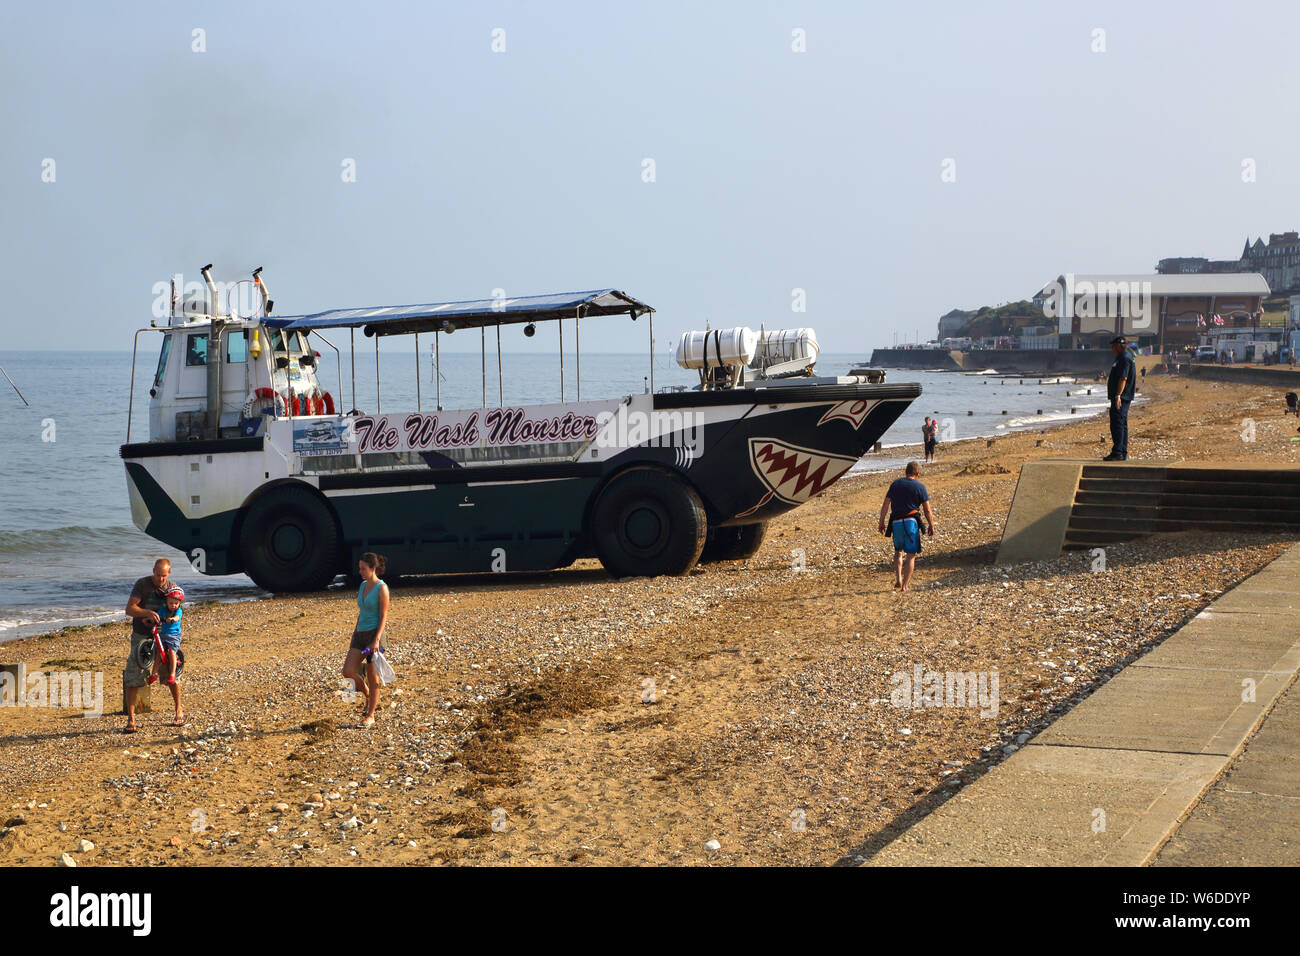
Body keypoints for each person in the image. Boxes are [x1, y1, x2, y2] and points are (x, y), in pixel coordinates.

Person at [123, 558, 182, 732]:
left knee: (172, 675)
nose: (161, 579)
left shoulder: (172, 588)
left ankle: (179, 710)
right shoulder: (142, 585)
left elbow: (178, 611)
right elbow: (129, 609)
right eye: (158, 575)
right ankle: (131, 720)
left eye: (164, 576)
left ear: (169, 573)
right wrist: (147, 612)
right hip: (142, 635)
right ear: (153, 571)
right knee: (134, 673)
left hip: (164, 636)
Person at [342, 552, 389, 728]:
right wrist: (355, 633)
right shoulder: (363, 585)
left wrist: (376, 640)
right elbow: (362, 612)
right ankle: (368, 695)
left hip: (373, 637)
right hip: (360, 635)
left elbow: (384, 616)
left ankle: (370, 715)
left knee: (372, 675)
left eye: (363, 568)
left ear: (373, 568)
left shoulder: (381, 588)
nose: (360, 571)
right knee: (347, 671)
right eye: (359, 567)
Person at [877, 461, 935, 592]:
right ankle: (905, 585)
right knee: (910, 555)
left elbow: (885, 505)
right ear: (917, 474)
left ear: (905, 472)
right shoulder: (920, 487)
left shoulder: (895, 484)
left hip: (896, 522)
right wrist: (931, 524)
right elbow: (927, 510)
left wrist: (881, 522)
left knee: (898, 552)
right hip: (911, 522)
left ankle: (898, 578)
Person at [1104, 336, 1136, 461]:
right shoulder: (1122, 357)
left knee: (1117, 423)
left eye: (1113, 346)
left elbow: (1123, 378)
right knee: (1121, 423)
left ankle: (1118, 452)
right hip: (1121, 396)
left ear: (1118, 345)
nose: (1112, 348)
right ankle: (1122, 451)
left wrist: (1118, 395)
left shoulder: (1124, 358)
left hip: (1122, 396)